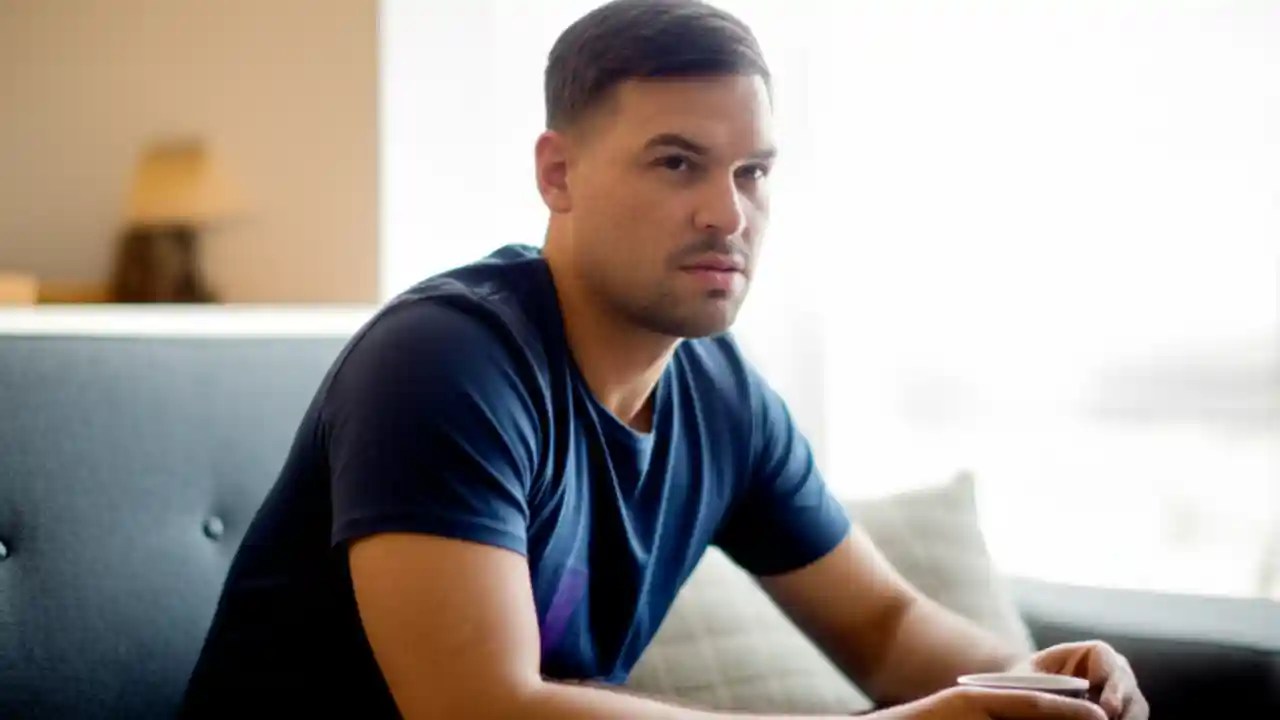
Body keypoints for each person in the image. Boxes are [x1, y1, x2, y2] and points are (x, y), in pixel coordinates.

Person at [181, 1, 1148, 718]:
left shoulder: (721, 392)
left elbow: (886, 629)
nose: (729, 214)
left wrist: (1042, 688)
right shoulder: (445, 365)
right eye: (678, 163)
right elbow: (478, 708)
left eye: (752, 172)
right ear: (557, 174)